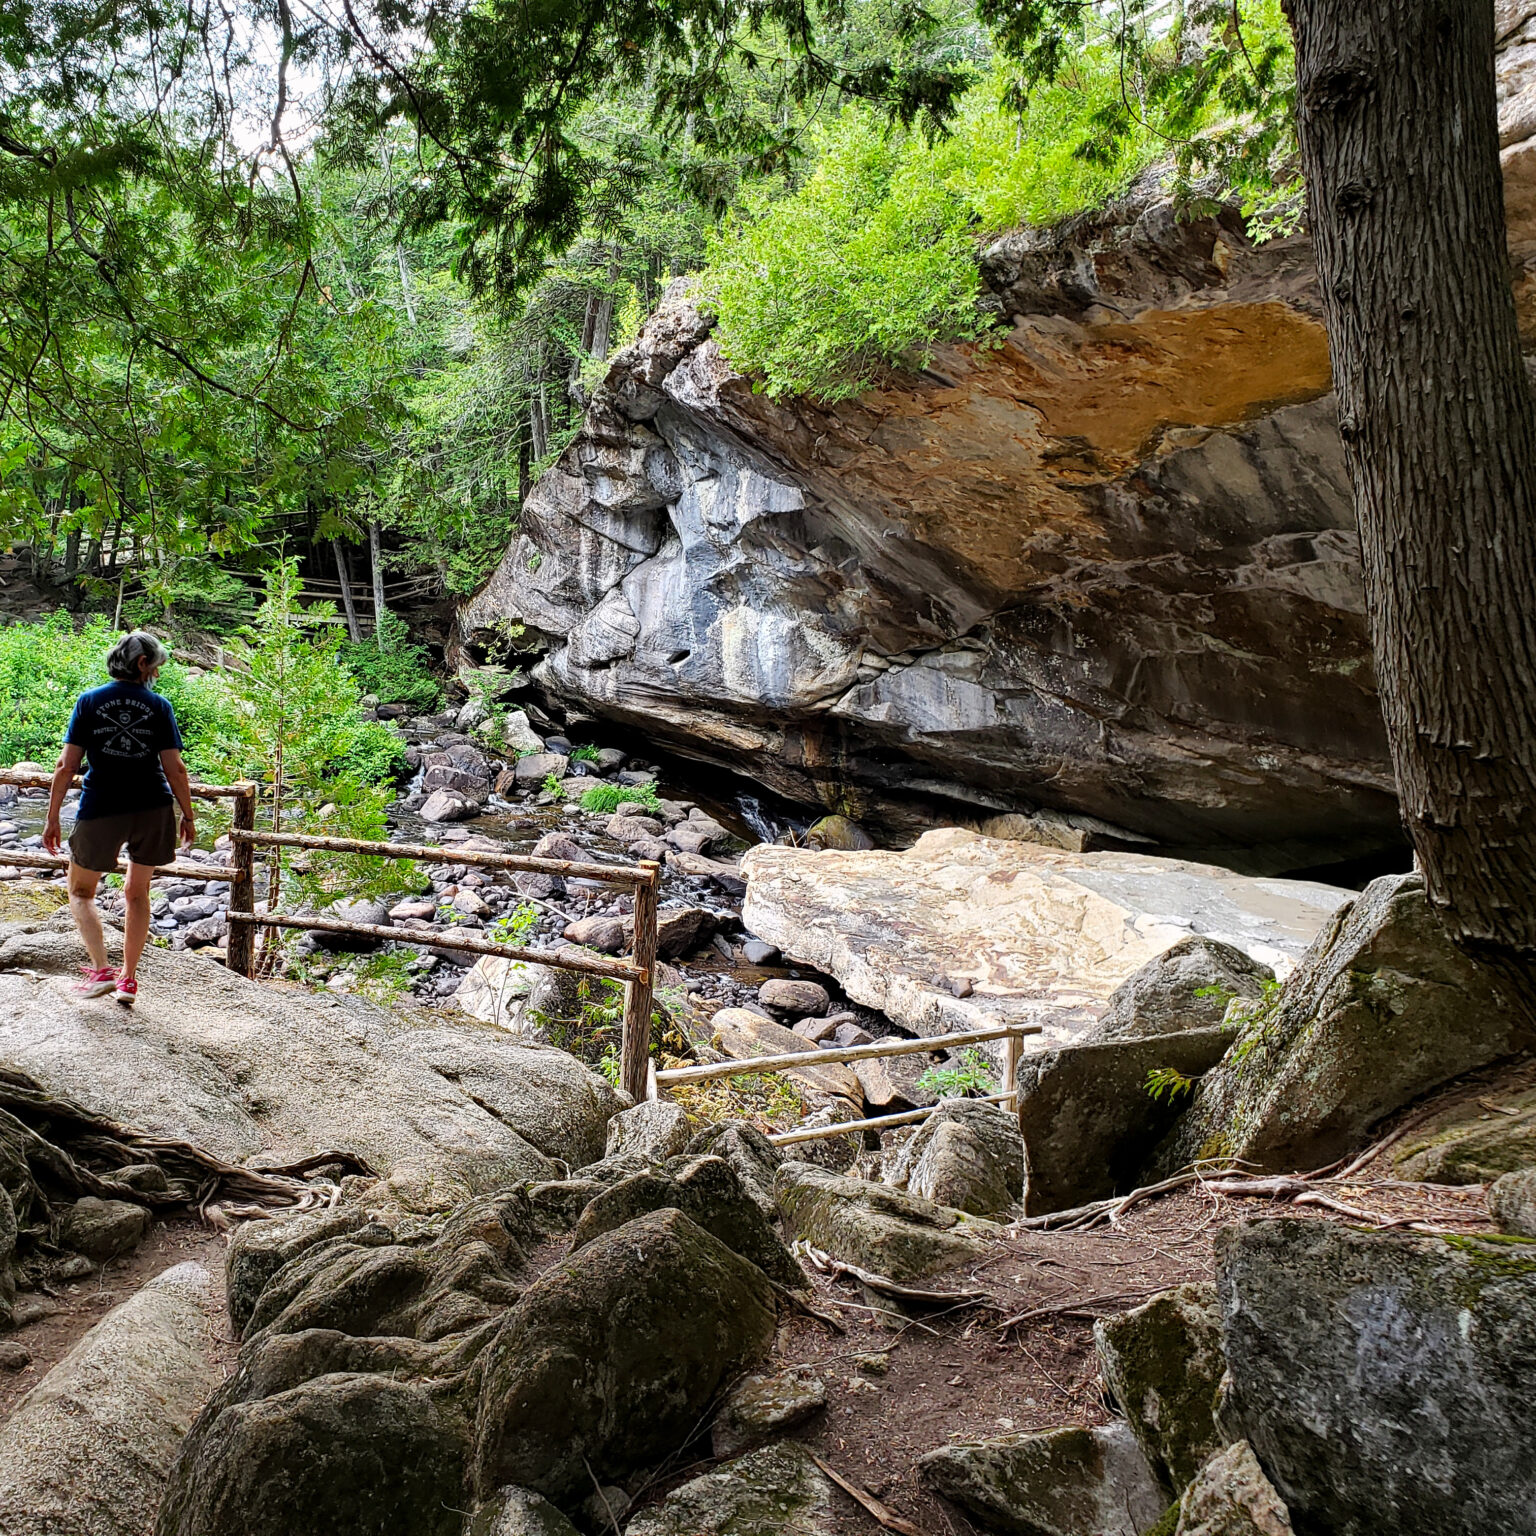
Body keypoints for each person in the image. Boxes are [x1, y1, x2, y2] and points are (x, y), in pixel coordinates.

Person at [42, 631, 197, 1005]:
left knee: (80, 891)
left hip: (102, 808)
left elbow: (66, 765)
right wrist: (187, 815)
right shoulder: (159, 706)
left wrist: (52, 818)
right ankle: (128, 980)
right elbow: (175, 768)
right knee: (137, 892)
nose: (157, 672)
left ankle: (101, 971)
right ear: (142, 663)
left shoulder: (90, 701)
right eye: (156, 665)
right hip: (152, 807)